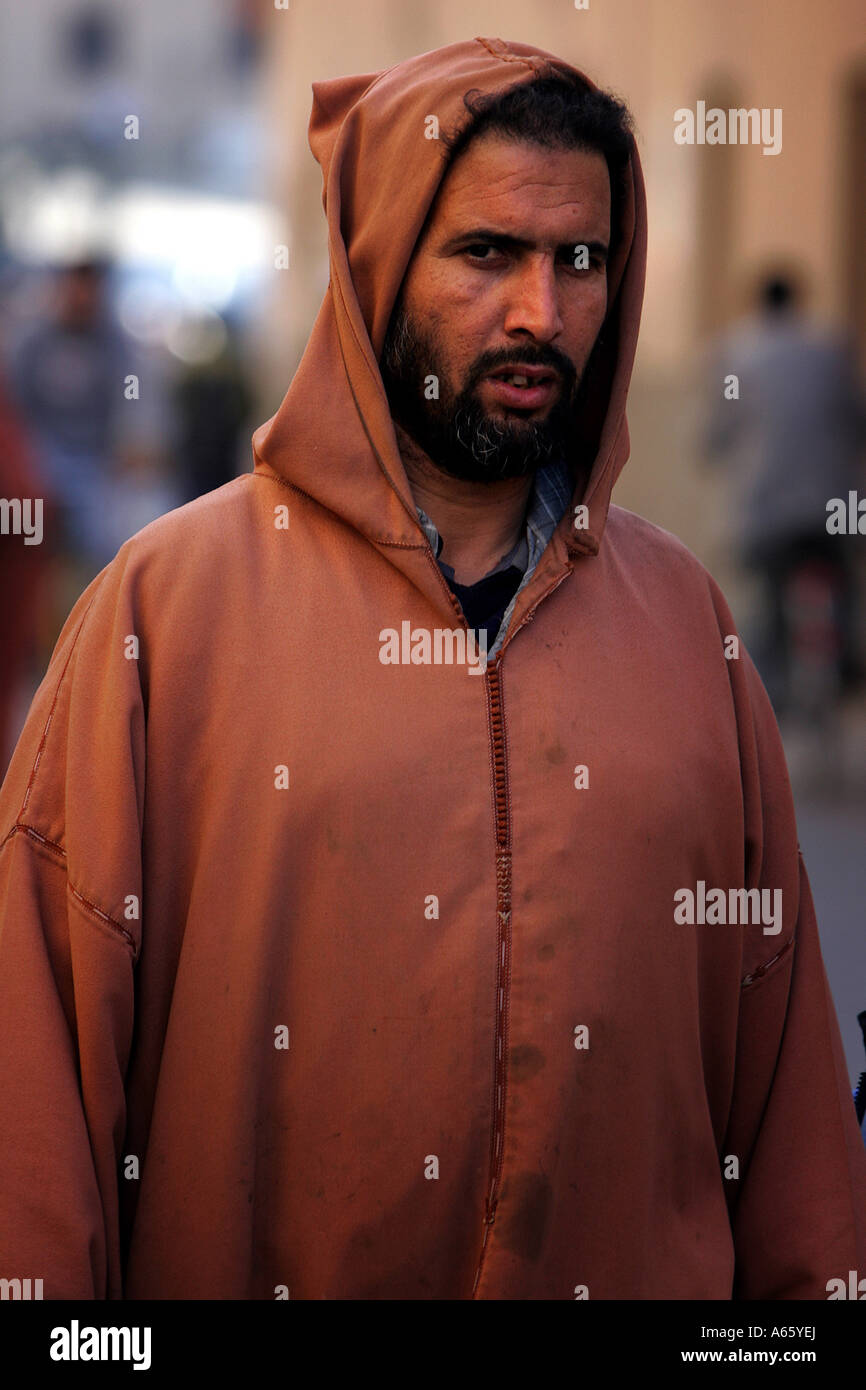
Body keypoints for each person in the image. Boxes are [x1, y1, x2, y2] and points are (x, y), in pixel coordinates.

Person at [0, 36, 864, 1302]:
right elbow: (38, 1092)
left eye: (579, 260)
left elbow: (779, 1078)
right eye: (485, 254)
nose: (540, 311)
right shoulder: (162, 612)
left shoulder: (684, 621)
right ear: (375, 264)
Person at [702, 268, 865, 714]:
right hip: (834, 509)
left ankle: (767, 700)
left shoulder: (735, 353)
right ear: (799, 301)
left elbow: (716, 432)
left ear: (757, 302)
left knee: (768, 603)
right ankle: (848, 660)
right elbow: (856, 420)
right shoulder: (831, 348)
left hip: (765, 510)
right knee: (844, 583)